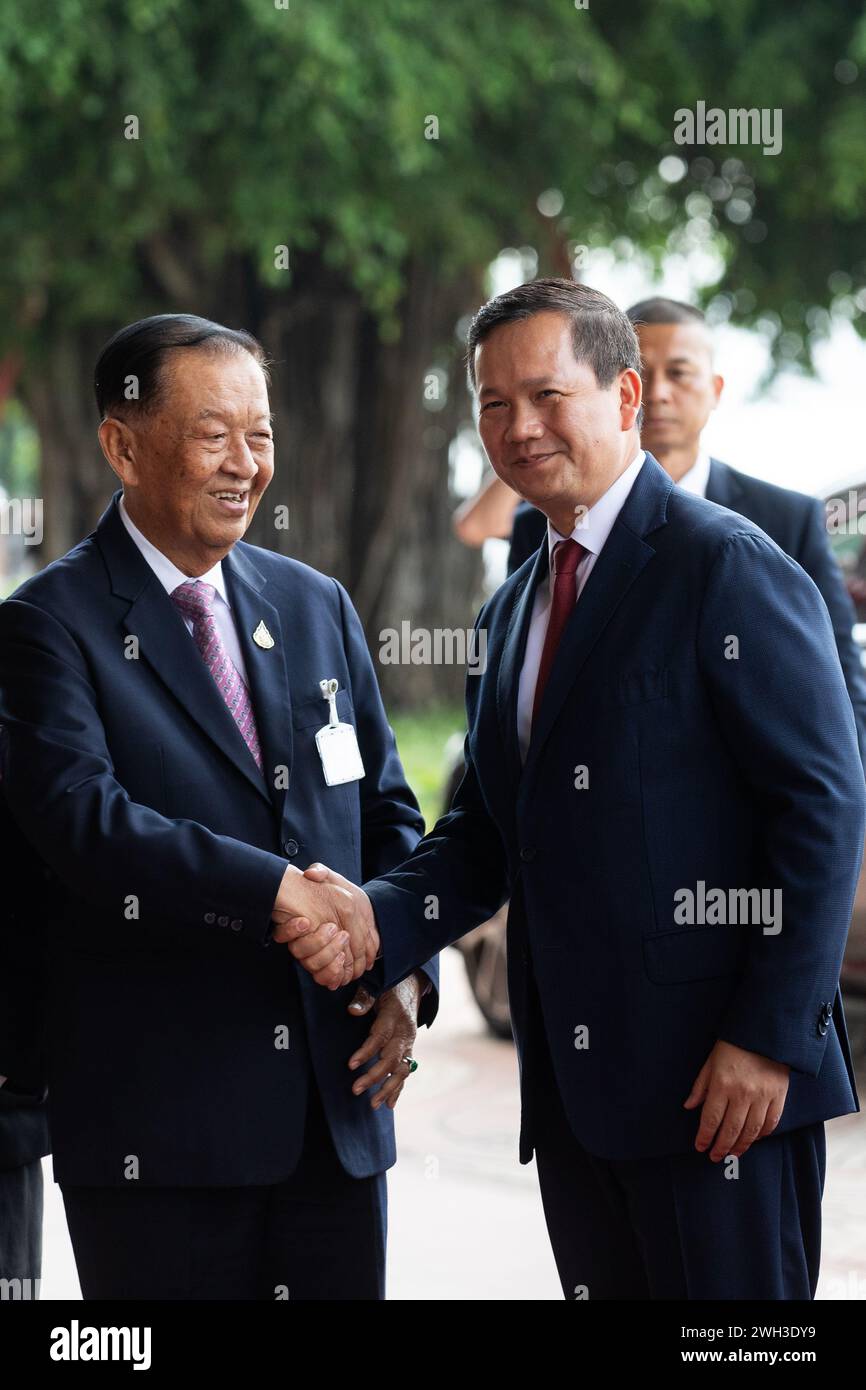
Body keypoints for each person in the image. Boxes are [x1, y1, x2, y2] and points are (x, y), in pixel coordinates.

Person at [278, 279, 866, 1300]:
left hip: (722, 1092)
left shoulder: (723, 565)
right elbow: (486, 834)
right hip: (577, 1100)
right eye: (492, 404)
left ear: (626, 396)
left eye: (547, 395)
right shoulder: (511, 607)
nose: (519, 426)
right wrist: (372, 922)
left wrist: (768, 1038)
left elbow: (819, 805)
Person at [0, 314, 436, 1301]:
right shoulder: (46, 627)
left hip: (338, 1117)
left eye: (262, 434)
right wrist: (281, 893)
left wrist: (403, 966)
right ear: (123, 443)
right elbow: (84, 822)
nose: (247, 463)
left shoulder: (315, 603)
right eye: (213, 435)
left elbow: (388, 817)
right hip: (163, 1136)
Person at [506, 298, 866, 757]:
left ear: (715, 389)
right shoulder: (544, 525)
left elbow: (839, 681)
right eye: (640, 373)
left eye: (678, 373)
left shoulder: (785, 522)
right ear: (619, 391)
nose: (657, 393)